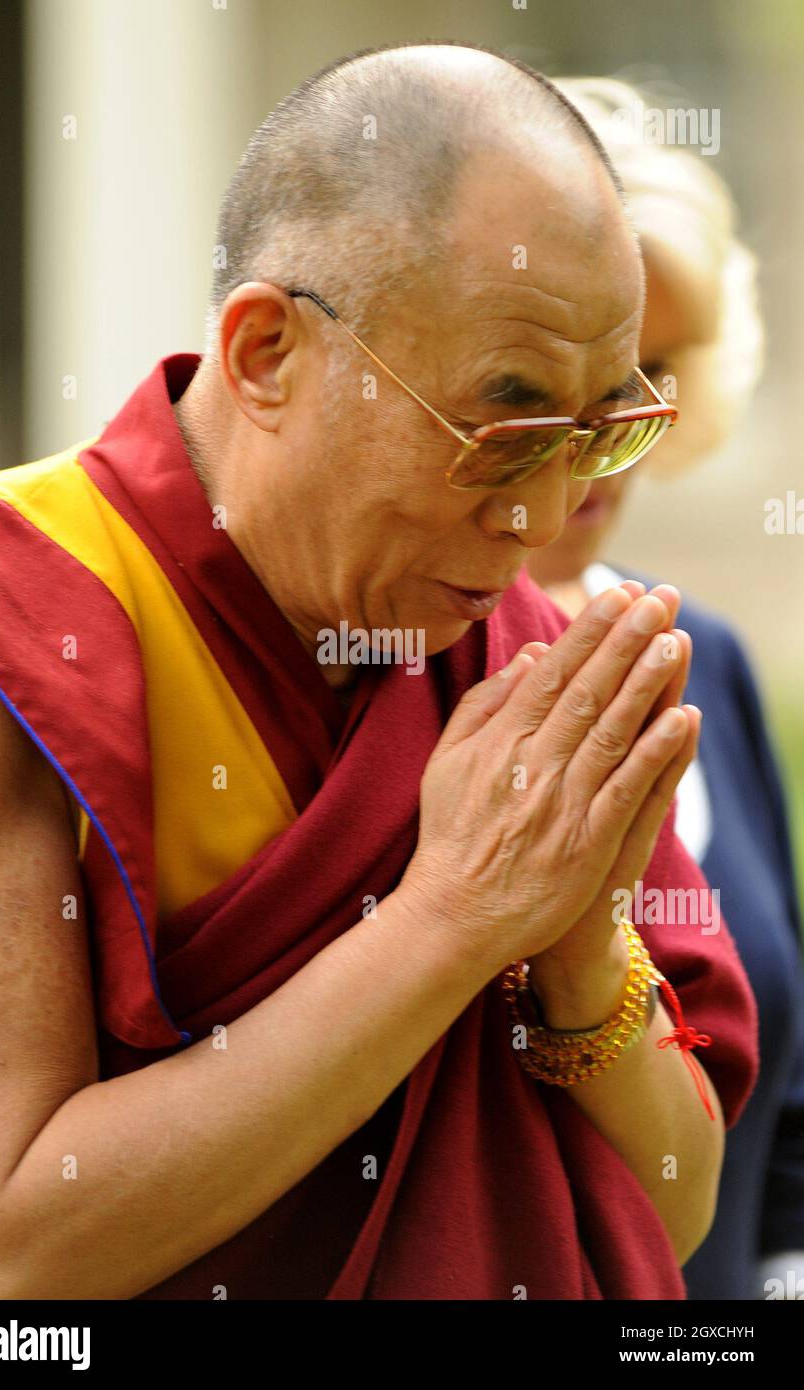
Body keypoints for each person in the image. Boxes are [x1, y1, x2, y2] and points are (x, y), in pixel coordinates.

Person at [0, 42, 757, 1300]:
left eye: (598, 432)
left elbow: (676, 1201)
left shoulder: (517, 656)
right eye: (507, 430)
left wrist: (580, 947)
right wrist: (452, 921)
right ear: (267, 351)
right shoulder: (0, 615)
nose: (544, 520)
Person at [528, 77, 804, 1301]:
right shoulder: (387, 663)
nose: (600, 431)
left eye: (643, 369)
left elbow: (787, 1104)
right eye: (536, 381)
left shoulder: (711, 657)